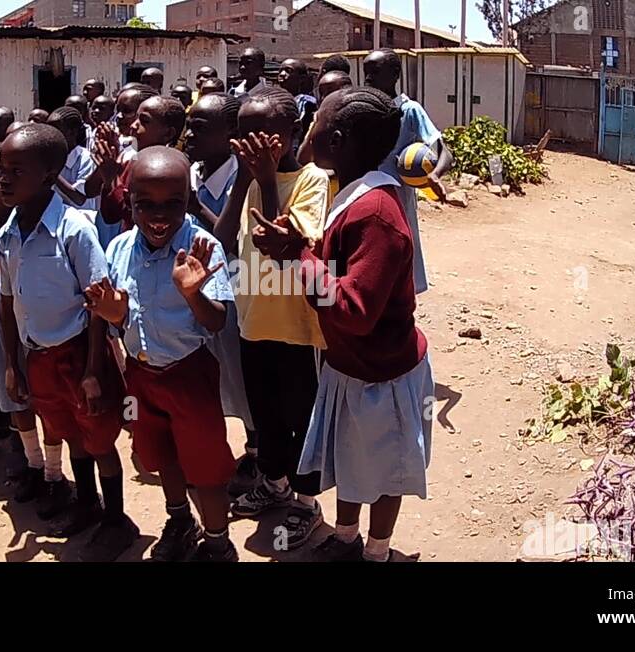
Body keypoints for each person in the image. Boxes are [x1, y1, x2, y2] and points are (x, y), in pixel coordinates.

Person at [251, 86, 434, 562]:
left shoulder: (376, 214)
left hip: (382, 371)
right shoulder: (350, 197)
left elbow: (354, 310)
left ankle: (376, 551)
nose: (306, 129)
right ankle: (347, 537)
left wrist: (298, 254)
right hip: (350, 367)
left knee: (386, 467)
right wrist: (300, 249)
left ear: (335, 141)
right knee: (351, 459)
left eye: (314, 124)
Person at [87, 147, 239, 562]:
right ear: (129, 202)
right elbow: (114, 311)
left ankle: (217, 541)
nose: (158, 216)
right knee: (161, 457)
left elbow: (215, 322)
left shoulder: (203, 247)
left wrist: (192, 294)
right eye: (144, 205)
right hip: (140, 374)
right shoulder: (118, 248)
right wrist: (113, 314)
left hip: (189, 375)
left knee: (205, 467)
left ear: (188, 200)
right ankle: (179, 521)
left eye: (172, 204)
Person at [0, 124, 138, 560]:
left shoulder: (74, 230)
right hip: (38, 355)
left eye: (16, 170)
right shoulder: (8, 233)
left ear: (49, 174)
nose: (3, 179)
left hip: (79, 354)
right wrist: (11, 362)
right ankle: (86, 503)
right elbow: (6, 302)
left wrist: (95, 370)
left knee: (98, 439)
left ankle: (117, 520)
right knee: (68, 432)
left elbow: (98, 303)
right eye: (2, 169)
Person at [214, 87, 330, 548]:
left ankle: (306, 503)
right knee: (267, 416)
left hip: (297, 329)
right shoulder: (246, 182)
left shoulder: (312, 180)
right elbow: (224, 238)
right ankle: (275, 483)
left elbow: (284, 248)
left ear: (291, 134)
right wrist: (246, 180)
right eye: (243, 135)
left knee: (301, 415)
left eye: (264, 135)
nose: (252, 144)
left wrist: (264, 180)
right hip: (253, 322)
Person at [183, 91, 260, 497]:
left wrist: (196, 206)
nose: (189, 134)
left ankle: (256, 451)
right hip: (202, 294)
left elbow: (226, 242)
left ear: (230, 134)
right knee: (213, 377)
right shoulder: (192, 172)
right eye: (189, 125)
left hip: (240, 292)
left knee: (242, 379)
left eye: (200, 127)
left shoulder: (242, 178)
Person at [364, 49, 453, 296]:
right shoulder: (365, 111)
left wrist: (435, 175)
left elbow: (445, 151)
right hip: (367, 195)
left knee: (400, 249)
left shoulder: (409, 110)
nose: (368, 78)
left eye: (375, 72)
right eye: (366, 73)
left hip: (398, 197)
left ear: (395, 74)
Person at [95, 93, 181, 239]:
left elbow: (137, 216)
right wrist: (108, 176)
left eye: (144, 121)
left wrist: (112, 178)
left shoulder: (172, 171)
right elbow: (111, 216)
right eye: (136, 118)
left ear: (168, 133)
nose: (134, 126)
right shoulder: (132, 161)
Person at [48, 107, 101, 211]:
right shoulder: (53, 157)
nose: (51, 136)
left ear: (72, 132)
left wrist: (53, 173)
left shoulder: (85, 159)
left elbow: (80, 199)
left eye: (56, 131)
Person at [278, 58, 317, 151]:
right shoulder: (273, 101)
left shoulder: (308, 104)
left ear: (302, 78)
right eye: (280, 71)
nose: (282, 74)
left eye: (288, 71)